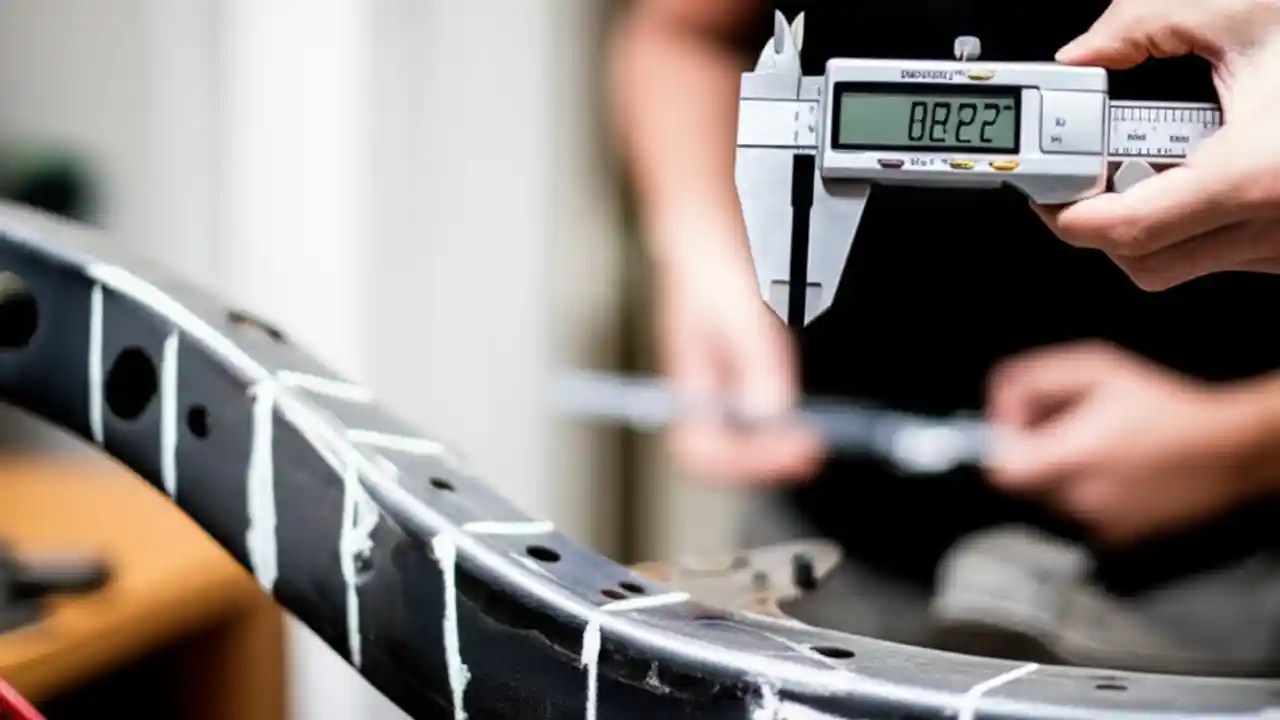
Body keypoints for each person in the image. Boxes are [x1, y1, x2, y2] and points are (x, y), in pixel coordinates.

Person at [608, 0, 1280, 646]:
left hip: (1210, 590)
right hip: (824, 538)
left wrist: (1244, 444)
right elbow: (685, 33)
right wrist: (703, 255)